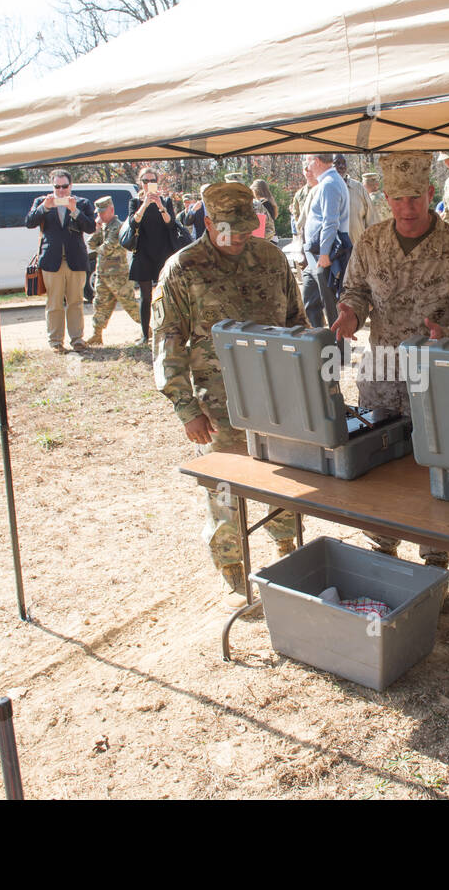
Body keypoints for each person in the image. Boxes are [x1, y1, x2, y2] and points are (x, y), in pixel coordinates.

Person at [332, 151, 449, 568]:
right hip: (381, 374)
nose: (406, 209)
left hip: (438, 380)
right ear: (386, 196)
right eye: (397, 200)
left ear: (430, 192)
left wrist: (448, 334)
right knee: (378, 466)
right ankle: (380, 547)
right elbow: (356, 292)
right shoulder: (371, 242)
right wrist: (350, 313)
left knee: (436, 469)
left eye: (415, 199)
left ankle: (437, 560)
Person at [153, 183, 305, 607]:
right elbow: (167, 342)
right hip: (218, 405)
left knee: (286, 479)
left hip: (278, 399)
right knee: (225, 489)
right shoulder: (182, 269)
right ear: (205, 223)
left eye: (245, 228)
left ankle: (286, 550)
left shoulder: (272, 259)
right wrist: (187, 411)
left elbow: (298, 322)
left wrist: (310, 383)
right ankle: (234, 568)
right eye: (229, 231)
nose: (239, 238)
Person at [25, 169, 96, 353]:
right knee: (54, 303)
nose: (61, 190)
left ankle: (77, 340)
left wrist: (75, 211)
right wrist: (45, 208)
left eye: (64, 186)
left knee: (76, 302)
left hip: (76, 260)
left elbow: (90, 227)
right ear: (52, 186)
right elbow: (29, 222)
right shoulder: (42, 202)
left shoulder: (82, 203)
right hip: (51, 261)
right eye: (57, 186)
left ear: (71, 186)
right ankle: (56, 342)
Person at [121, 166, 187, 348]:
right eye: (145, 181)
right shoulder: (134, 202)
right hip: (143, 252)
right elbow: (133, 222)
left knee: (164, 294)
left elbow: (171, 224)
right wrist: (144, 204)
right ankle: (144, 334)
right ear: (140, 183)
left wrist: (159, 205)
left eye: (152, 181)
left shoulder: (165, 200)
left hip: (163, 252)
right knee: (145, 297)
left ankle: (166, 331)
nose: (149, 184)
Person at [84, 196, 143, 346]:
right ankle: (96, 335)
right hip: (103, 274)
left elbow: (107, 248)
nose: (100, 216)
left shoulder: (118, 226)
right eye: (98, 213)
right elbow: (90, 243)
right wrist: (97, 230)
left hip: (118, 276)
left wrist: (98, 247)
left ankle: (148, 330)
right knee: (99, 304)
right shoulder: (104, 227)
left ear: (111, 210)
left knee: (131, 305)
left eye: (103, 212)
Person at [301, 153, 351, 330]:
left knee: (331, 307)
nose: (307, 168)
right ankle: (319, 343)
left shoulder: (330, 183)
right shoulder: (327, 182)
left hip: (328, 253)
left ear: (317, 161)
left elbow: (331, 221)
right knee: (310, 300)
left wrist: (324, 253)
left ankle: (340, 353)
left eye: (308, 162)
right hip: (317, 255)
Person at [334, 155, 374, 245]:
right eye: (337, 163)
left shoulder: (358, 188)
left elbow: (372, 218)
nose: (341, 166)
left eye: (344, 163)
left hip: (358, 247)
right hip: (335, 251)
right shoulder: (325, 189)